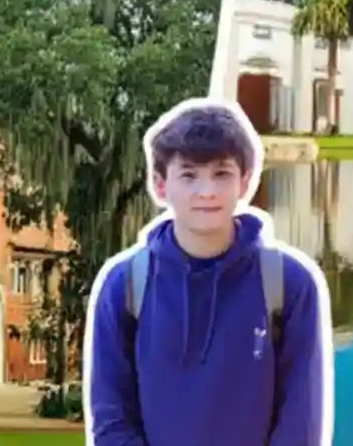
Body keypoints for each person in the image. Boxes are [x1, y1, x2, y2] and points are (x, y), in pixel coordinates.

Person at [85, 101, 328, 446]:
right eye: (188, 175)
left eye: (222, 173)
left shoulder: (288, 284)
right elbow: (111, 416)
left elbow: (301, 418)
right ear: (160, 185)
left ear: (245, 182)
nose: (207, 191)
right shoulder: (125, 286)